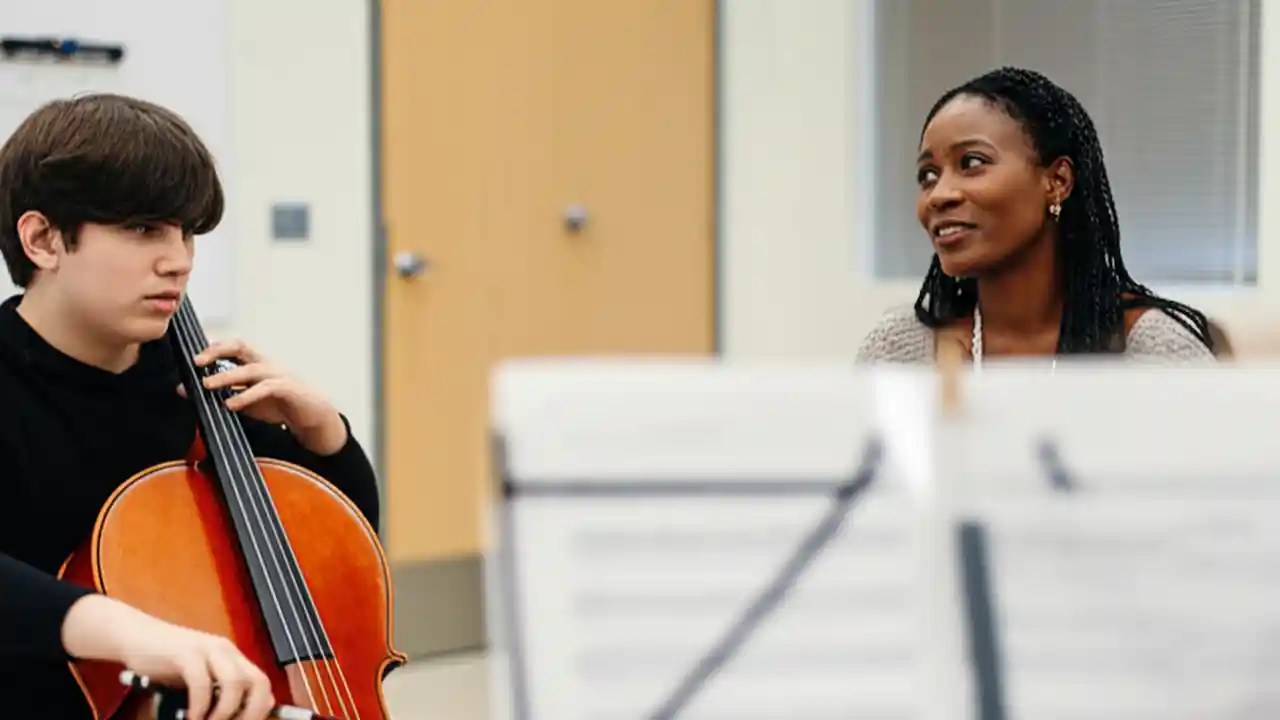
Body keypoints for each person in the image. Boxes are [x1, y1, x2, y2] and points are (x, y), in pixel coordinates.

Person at [0, 95, 380, 719]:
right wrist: (123, 630)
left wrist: (324, 436)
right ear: (42, 239)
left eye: (187, 233)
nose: (177, 260)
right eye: (144, 228)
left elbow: (344, 569)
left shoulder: (200, 388)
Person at [857, 66, 1216, 365]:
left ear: (1057, 181)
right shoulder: (898, 354)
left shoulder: (1154, 354)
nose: (939, 195)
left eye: (972, 162)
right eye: (928, 175)